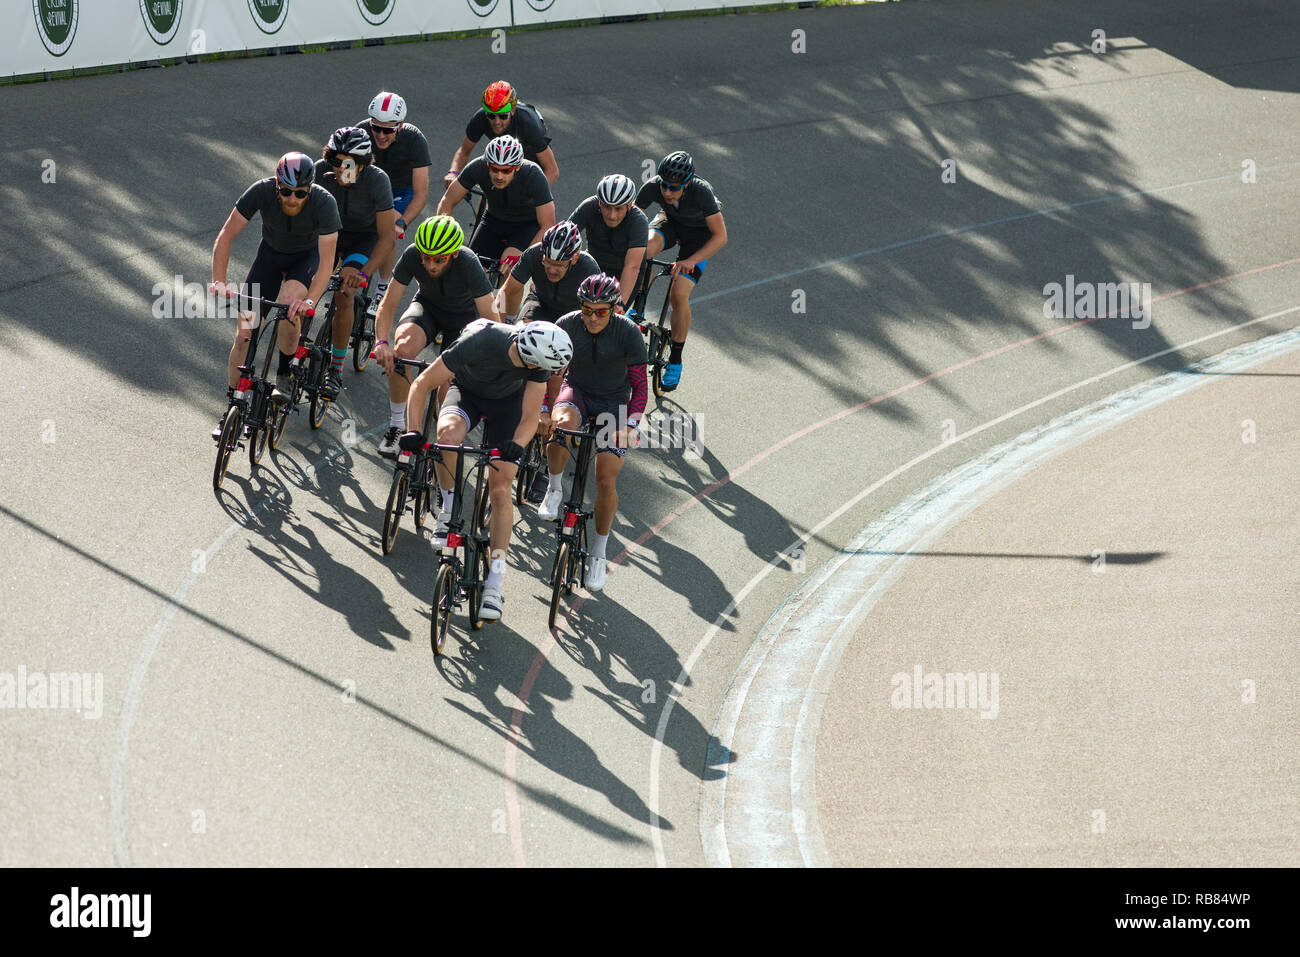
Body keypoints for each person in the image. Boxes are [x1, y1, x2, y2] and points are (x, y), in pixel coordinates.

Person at [398, 320, 573, 620]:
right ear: (532, 357)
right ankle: (447, 508)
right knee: (448, 437)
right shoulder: (481, 340)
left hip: (507, 407)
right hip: (467, 392)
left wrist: (517, 444)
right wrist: (414, 431)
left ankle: (494, 582)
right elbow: (422, 383)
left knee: (501, 489)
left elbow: (530, 417)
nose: (551, 375)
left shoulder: (539, 364)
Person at [210, 152, 339, 438]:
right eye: (286, 191)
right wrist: (218, 280)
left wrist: (310, 301)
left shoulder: (324, 203)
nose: (292, 199)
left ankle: (284, 373)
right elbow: (225, 236)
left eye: (300, 193)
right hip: (269, 256)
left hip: (305, 260)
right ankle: (233, 403)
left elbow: (327, 262)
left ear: (310, 189)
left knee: (288, 306)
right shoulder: (260, 190)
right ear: (277, 185)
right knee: (244, 334)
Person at [540, 275, 648, 591]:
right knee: (561, 427)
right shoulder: (567, 324)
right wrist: (545, 408)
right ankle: (555, 487)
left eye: (601, 312)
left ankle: (598, 554)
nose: (591, 317)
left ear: (614, 310)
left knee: (605, 479)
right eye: (587, 309)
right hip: (578, 392)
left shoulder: (629, 333)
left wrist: (629, 426)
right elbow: (551, 371)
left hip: (614, 402)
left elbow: (640, 389)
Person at [372, 215, 500, 458]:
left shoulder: (468, 263)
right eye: (426, 258)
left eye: (438, 259)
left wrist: (491, 358)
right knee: (402, 353)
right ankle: (398, 425)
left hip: (464, 320)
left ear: (453, 254)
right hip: (428, 308)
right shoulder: (412, 254)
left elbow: (491, 319)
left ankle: (443, 445)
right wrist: (381, 343)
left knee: (446, 384)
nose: (430, 265)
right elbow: (388, 305)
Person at [313, 126, 397, 399]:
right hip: (328, 234)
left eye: (347, 164)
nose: (339, 170)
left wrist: (364, 273)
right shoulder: (319, 173)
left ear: (362, 165)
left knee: (344, 293)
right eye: (334, 162)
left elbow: (386, 237)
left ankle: (335, 370)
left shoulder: (377, 181)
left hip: (362, 238)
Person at [634, 151, 728, 391]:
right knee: (642, 250)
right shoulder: (654, 186)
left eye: (674, 188)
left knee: (679, 294)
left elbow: (720, 237)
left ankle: (675, 360)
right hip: (670, 222)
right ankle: (637, 305)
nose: (667, 192)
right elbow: (632, 219)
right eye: (664, 185)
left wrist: (692, 260)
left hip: (700, 236)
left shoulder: (702, 192)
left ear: (687, 184)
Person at [436, 135, 555, 282]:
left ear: (517, 167)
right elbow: (447, 201)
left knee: (511, 269)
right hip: (493, 221)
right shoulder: (478, 167)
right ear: (487, 165)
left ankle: (506, 303)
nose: (499, 176)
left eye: (506, 171)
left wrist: (524, 258)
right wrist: (443, 236)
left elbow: (548, 224)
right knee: (470, 271)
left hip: (526, 226)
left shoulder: (533, 174)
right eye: (494, 169)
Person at [356, 91, 432, 317]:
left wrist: (403, 223)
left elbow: (421, 194)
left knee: (386, 229)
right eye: (375, 128)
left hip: (400, 192)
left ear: (400, 126)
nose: (380, 135)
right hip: (369, 188)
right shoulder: (361, 132)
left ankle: (382, 285)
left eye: (387, 129)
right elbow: (347, 178)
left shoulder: (415, 140)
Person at [445, 80, 557, 187]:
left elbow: (552, 170)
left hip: (530, 157)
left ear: (512, 110)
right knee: (491, 191)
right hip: (501, 156)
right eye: (491, 115)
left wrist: (534, 199)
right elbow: (464, 151)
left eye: (503, 116)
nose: (497, 122)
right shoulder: (481, 118)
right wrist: (453, 172)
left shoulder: (528, 124)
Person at [499, 220, 601, 325]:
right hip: (540, 303)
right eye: (547, 262)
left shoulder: (589, 268)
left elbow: (598, 310)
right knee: (521, 332)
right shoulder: (533, 253)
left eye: (559, 265)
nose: (552, 270)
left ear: (575, 258)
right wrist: (498, 324)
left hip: (573, 313)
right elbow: (504, 293)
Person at [568, 174, 648, 306]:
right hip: (594, 266)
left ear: (629, 206)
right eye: (607, 207)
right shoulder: (589, 207)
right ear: (599, 203)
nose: (612, 215)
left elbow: (632, 267)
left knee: (605, 317)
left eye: (618, 209)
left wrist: (619, 303)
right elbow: (565, 237)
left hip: (623, 273)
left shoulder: (639, 221)